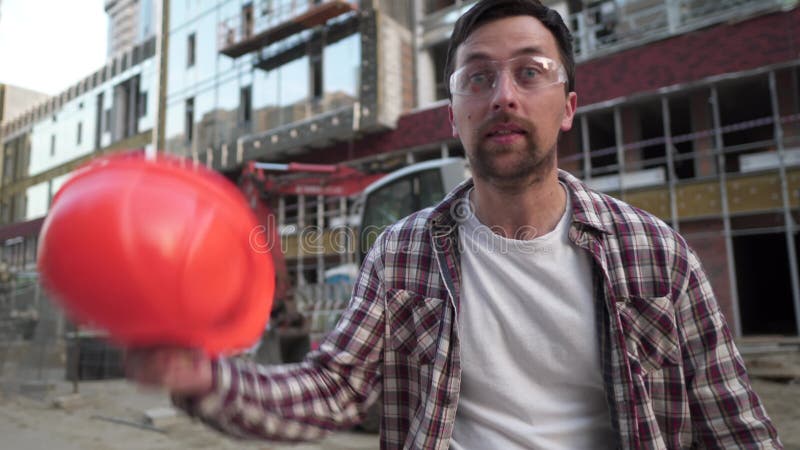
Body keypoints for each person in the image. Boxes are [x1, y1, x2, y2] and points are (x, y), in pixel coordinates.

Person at [125, 0, 783, 448]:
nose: (503, 94)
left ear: (568, 108)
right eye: (477, 77)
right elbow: (333, 388)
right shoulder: (402, 253)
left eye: (530, 72)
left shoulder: (655, 254)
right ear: (452, 115)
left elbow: (737, 425)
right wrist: (204, 379)